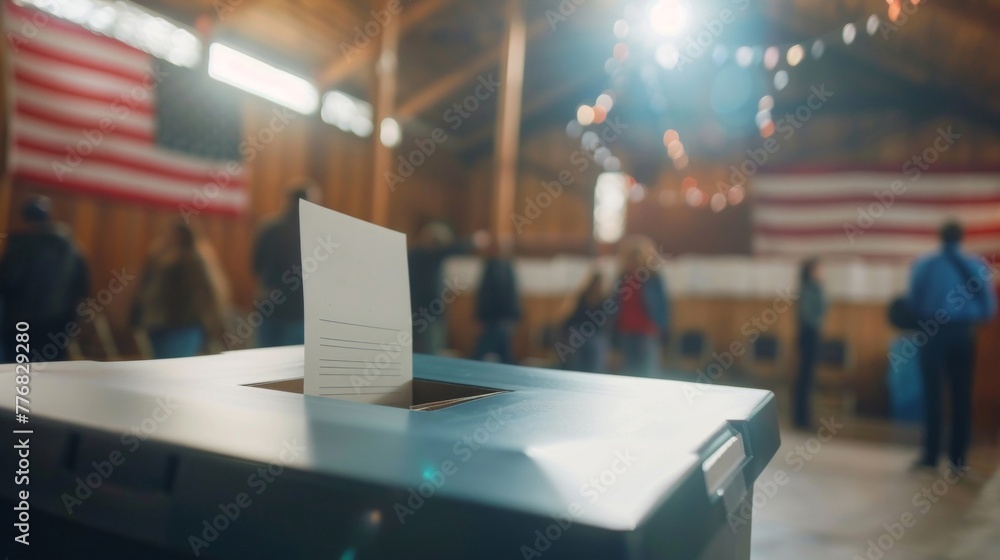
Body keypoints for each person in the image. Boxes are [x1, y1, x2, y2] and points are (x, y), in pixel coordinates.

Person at [908, 221, 997, 470]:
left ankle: (930, 457)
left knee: (932, 395)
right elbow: (988, 308)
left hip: (932, 330)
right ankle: (958, 461)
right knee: (961, 395)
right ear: (961, 237)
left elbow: (914, 302)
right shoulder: (974, 266)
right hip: (963, 333)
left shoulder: (925, 265)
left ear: (940, 236)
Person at [0, 196, 89, 362]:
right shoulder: (72, 248)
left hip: (21, 322)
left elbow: (7, 281)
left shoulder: (21, 246)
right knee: (51, 369)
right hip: (59, 323)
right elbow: (82, 289)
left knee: (19, 370)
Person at [131, 220, 228, 358]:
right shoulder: (161, 259)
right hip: (162, 325)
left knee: (171, 364)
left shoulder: (190, 262)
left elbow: (204, 298)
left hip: (182, 326)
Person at [252, 179, 321, 347]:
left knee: (265, 359)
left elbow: (256, 266)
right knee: (293, 359)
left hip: (270, 304)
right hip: (300, 309)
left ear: (287, 200)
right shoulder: (317, 232)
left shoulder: (268, 228)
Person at [408, 223, 488, 355]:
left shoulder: (417, 255)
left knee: (426, 349)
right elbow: (452, 249)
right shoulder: (422, 255)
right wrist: (473, 241)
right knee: (430, 351)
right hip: (427, 311)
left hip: (425, 310)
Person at [613, 236, 669, 377]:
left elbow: (662, 305)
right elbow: (615, 306)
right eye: (631, 260)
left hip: (647, 332)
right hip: (626, 332)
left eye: (637, 260)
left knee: (648, 373)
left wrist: (661, 329)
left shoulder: (653, 279)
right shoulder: (622, 279)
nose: (633, 264)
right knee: (628, 373)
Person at [472, 236, 520, 364]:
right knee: (485, 352)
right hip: (491, 318)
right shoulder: (490, 266)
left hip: (504, 318)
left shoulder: (507, 267)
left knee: (501, 352)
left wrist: (514, 316)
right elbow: (484, 293)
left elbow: (512, 293)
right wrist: (481, 316)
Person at [793, 258, 827, 429]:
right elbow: (809, 316)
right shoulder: (808, 289)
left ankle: (805, 416)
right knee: (805, 377)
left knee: (809, 377)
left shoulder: (816, 288)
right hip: (808, 335)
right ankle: (801, 418)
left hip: (813, 335)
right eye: (819, 269)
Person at [560, 270, 609, 373]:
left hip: (596, 335)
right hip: (579, 332)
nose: (596, 286)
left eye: (598, 283)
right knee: (575, 341)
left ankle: (596, 374)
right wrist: (564, 332)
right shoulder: (582, 297)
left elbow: (606, 323)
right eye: (594, 283)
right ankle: (575, 372)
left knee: (598, 344)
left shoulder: (605, 301)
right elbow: (572, 317)